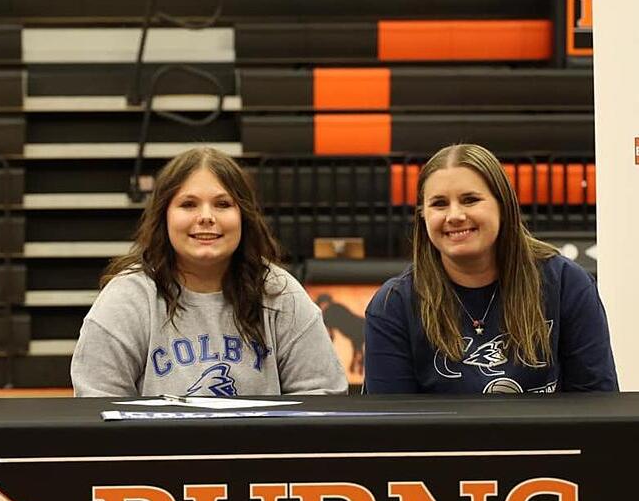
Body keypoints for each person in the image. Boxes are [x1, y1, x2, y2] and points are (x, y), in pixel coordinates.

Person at [71, 146, 347, 396]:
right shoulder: (127, 298)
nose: (206, 216)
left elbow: (322, 394)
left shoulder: (279, 292)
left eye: (223, 204)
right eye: (188, 204)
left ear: (244, 216)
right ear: (164, 216)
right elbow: (98, 404)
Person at [364, 143, 617, 394]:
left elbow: (597, 404)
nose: (454, 215)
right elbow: (389, 426)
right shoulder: (393, 305)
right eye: (439, 204)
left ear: (503, 206)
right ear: (422, 215)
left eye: (470, 200)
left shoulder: (566, 284)